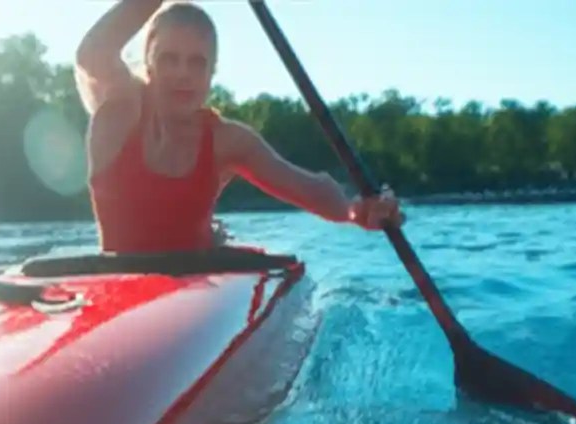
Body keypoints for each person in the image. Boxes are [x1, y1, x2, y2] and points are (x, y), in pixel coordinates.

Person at [75, 0, 404, 254]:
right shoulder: (120, 111)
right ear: (148, 64)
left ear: (211, 73)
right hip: (119, 290)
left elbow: (309, 187)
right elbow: (92, 53)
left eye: (196, 62)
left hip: (198, 288)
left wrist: (355, 210)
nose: (182, 74)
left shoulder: (225, 140)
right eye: (169, 59)